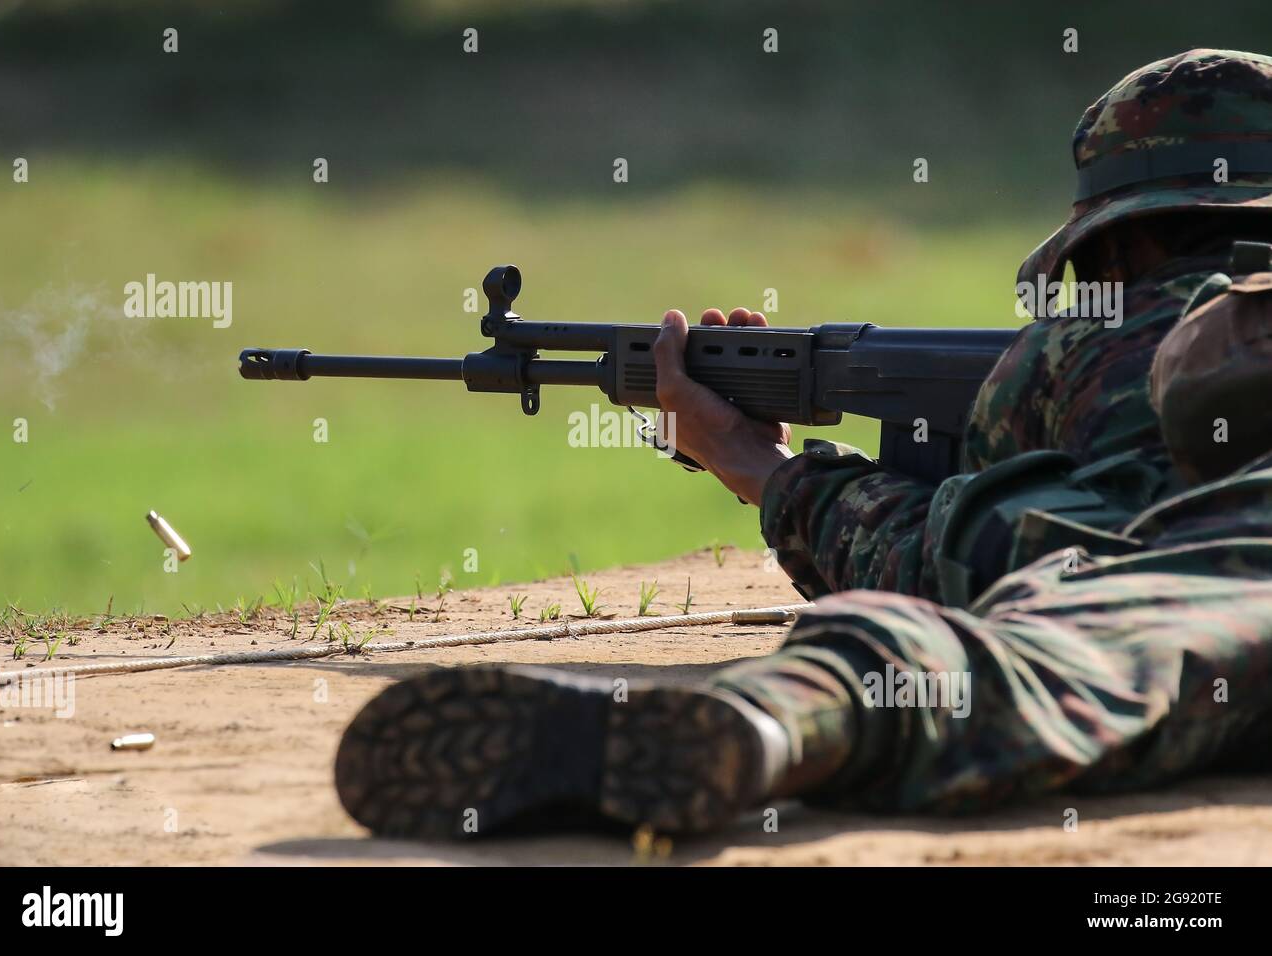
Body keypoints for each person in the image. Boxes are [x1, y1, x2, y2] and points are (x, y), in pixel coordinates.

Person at [334, 49, 1272, 838]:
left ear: (1120, 240)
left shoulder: (1099, 342)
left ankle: (777, 722)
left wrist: (763, 469)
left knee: (1052, 652)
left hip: (1213, 589)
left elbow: (957, 563)